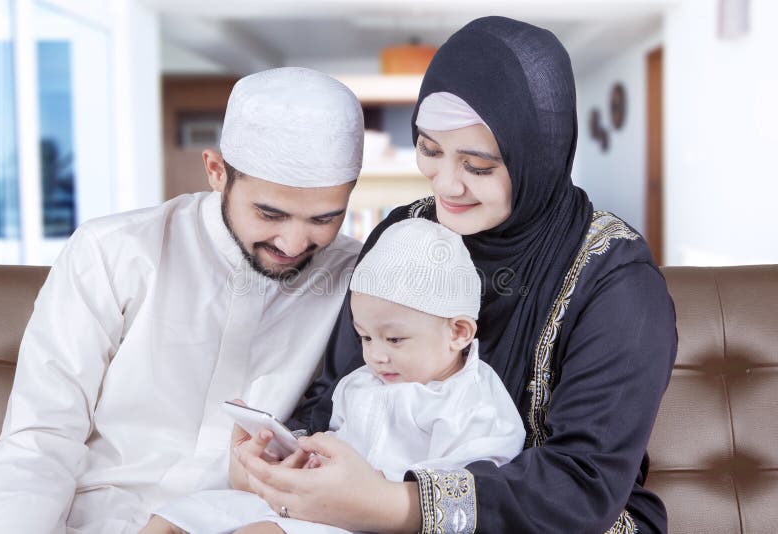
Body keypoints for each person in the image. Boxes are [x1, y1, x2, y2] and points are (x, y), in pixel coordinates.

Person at [231, 17, 678, 534]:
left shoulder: (617, 283)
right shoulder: (405, 229)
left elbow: (581, 486)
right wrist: (291, 455)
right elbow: (338, 391)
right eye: (429, 149)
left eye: (479, 166)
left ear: (542, 154)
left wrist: (391, 505)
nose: (447, 185)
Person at [0, 67, 365, 534]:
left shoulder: (360, 278)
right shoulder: (113, 250)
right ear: (216, 171)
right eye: (269, 213)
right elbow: (40, 439)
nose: (293, 242)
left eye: (324, 219)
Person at [140, 218, 526, 534]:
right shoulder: (358, 385)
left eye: (394, 339)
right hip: (318, 505)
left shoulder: (471, 401)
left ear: (458, 332)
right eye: (365, 337)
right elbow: (340, 440)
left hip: (373, 523)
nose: (375, 354)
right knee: (180, 515)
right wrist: (295, 453)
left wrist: (380, 490)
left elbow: (471, 488)